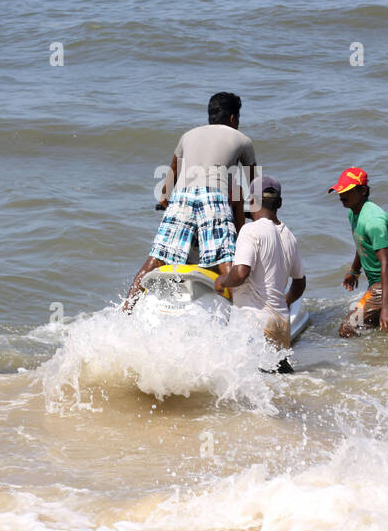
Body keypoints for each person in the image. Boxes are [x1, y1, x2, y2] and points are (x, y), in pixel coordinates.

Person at [125, 91, 257, 307]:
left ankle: (126, 309)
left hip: (182, 197)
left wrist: (166, 201)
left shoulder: (188, 135)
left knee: (157, 258)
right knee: (226, 260)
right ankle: (241, 318)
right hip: (214, 196)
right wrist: (256, 212)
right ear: (233, 118)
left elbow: (174, 170)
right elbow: (254, 184)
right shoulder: (242, 140)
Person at [214, 175, 305, 371]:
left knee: (247, 379)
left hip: (255, 323)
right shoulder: (290, 237)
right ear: (279, 203)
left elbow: (240, 273)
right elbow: (300, 283)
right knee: (276, 382)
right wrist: (285, 301)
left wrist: (222, 281)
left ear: (252, 200)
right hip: (281, 322)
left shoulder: (251, 230)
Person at [328, 167, 388, 336]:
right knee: (366, 326)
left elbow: (386, 263)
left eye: (347, 191)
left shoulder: (374, 221)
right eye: (340, 190)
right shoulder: (354, 212)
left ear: (363, 190)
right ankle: (382, 355)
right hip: (379, 284)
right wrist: (354, 271)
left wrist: (386, 307)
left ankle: (370, 358)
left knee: (348, 328)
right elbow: (363, 244)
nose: (341, 195)